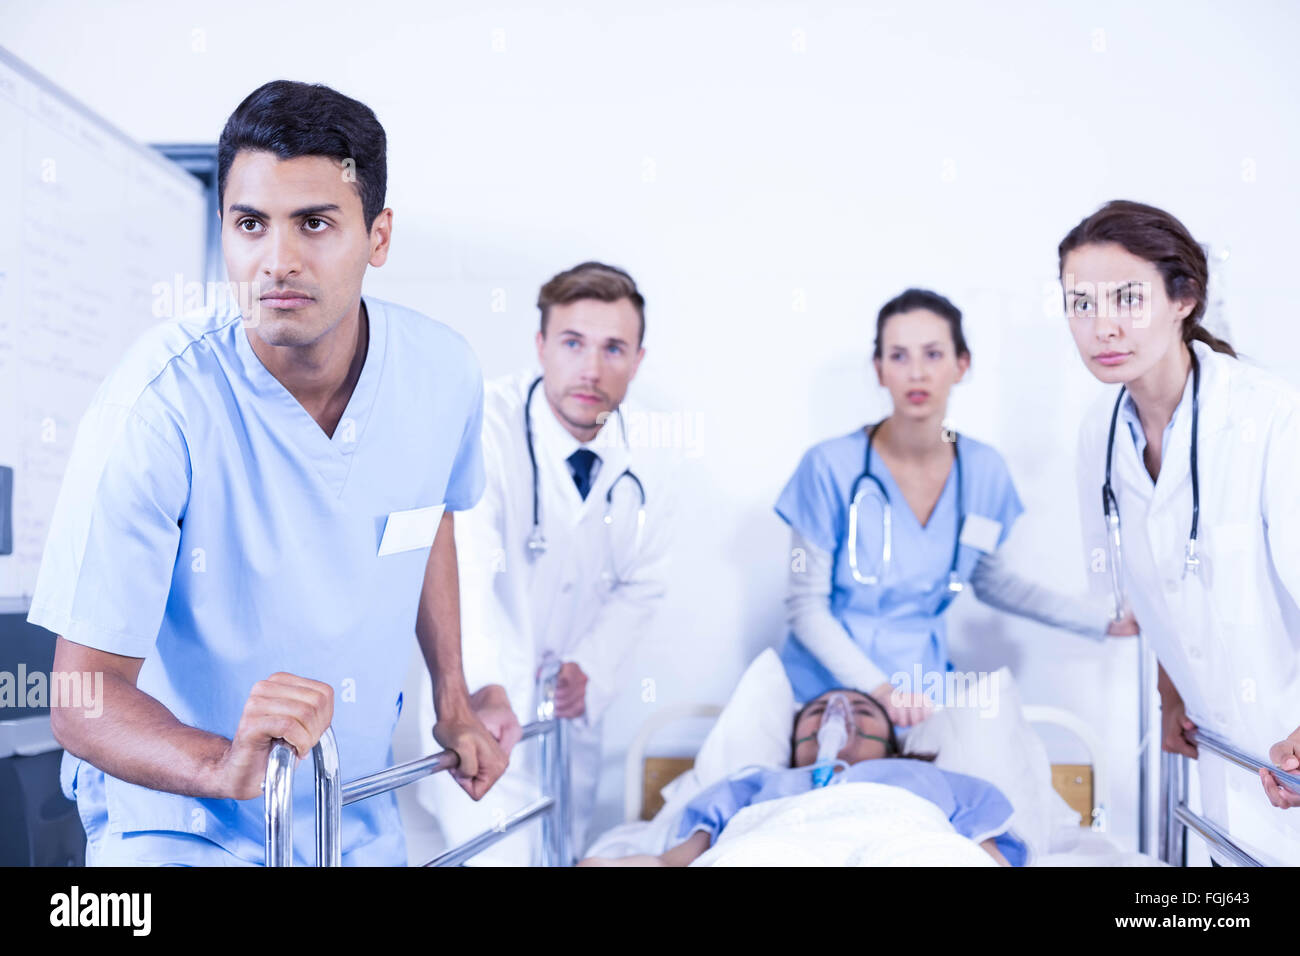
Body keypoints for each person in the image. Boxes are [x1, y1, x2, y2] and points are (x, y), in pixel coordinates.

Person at [26, 80, 518, 867]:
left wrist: (453, 700)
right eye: (249, 224)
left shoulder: (441, 374)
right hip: (178, 820)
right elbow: (80, 700)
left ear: (378, 236)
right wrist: (220, 766)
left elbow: (430, 520)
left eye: (314, 223)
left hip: (347, 807)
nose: (276, 262)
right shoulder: (160, 405)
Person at [1062, 199, 1300, 865]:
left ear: (1184, 298)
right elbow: (1157, 585)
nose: (1100, 325)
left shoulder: (1270, 420)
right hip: (1226, 758)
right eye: (1080, 303)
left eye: (1127, 298)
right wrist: (1171, 694)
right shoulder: (1101, 433)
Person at [777, 288, 1136, 719]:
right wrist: (879, 690)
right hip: (825, 693)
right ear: (879, 370)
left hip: (921, 695)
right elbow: (805, 606)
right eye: (898, 356)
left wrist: (1099, 621)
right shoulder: (829, 467)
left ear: (961, 365)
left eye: (932, 354)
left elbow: (990, 580)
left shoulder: (982, 470)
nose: (916, 373)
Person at [417, 261, 672, 863]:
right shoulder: (487, 429)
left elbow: (644, 582)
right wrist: (489, 686)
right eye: (573, 342)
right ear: (540, 346)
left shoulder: (650, 457)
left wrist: (592, 666)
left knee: (562, 850)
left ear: (638, 359)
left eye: (614, 348)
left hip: (565, 722)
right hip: (484, 710)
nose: (591, 368)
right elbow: (468, 568)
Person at [577, 687, 1025, 866]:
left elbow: (985, 860)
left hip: (904, 835)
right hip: (776, 838)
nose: (837, 718)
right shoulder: (752, 784)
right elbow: (670, 863)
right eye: (815, 713)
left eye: (864, 711)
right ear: (794, 742)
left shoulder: (937, 780)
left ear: (892, 742)